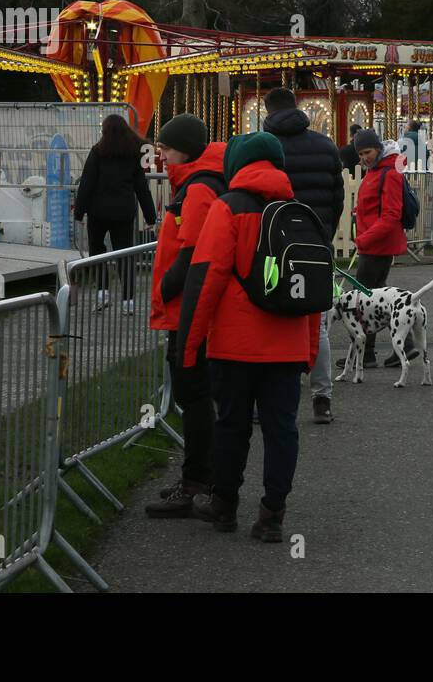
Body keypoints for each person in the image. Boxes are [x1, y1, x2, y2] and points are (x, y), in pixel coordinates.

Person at [178, 132, 321, 540]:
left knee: (231, 426)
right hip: (288, 345)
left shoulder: (228, 207)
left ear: (237, 164)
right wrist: (309, 348)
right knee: (282, 430)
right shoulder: (299, 211)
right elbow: (312, 288)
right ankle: (272, 514)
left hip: (235, 345)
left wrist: (189, 348)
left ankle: (224, 506)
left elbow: (206, 279)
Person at [144, 113, 226, 519]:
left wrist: (163, 289)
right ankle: (202, 479)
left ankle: (199, 482)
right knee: (195, 398)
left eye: (166, 147)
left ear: (185, 150)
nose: (160, 152)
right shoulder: (196, 184)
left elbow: (194, 254)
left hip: (188, 313)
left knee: (194, 398)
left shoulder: (198, 190)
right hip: (188, 310)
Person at [263, 87, 344, 424]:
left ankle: (274, 397)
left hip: (273, 249)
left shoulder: (265, 147)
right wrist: (323, 233)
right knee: (318, 325)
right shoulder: (326, 147)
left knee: (271, 320)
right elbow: (337, 200)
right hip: (316, 248)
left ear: (268, 112)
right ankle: (322, 398)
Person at [74, 113, 158, 314]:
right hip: (123, 212)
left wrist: (79, 212)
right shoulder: (132, 154)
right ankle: (128, 302)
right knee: (125, 255)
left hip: (98, 211)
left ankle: (103, 293)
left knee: (97, 252)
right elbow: (141, 188)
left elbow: (86, 183)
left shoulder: (97, 152)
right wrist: (150, 216)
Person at [351, 128, 409, 367]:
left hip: (376, 245)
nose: (364, 157)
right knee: (376, 300)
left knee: (364, 301)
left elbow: (390, 215)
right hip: (374, 243)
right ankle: (402, 346)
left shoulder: (389, 172)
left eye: (367, 152)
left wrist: (364, 239)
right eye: (361, 154)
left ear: (378, 149)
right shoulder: (378, 170)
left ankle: (366, 354)